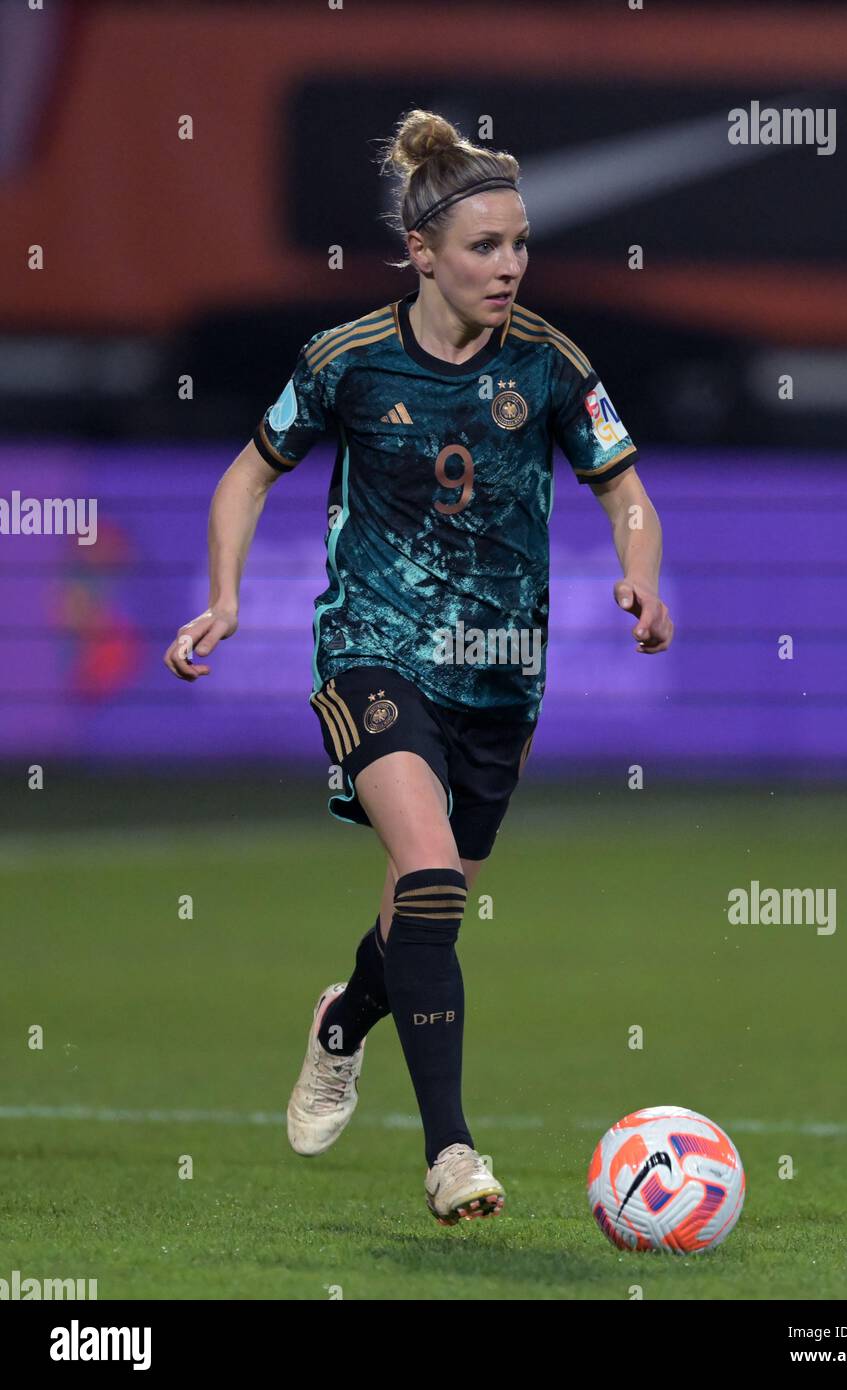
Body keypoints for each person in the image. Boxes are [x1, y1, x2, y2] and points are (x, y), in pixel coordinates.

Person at [164, 108, 674, 1227]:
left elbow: (624, 490)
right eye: (486, 247)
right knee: (430, 870)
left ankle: (343, 1020)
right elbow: (247, 474)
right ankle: (450, 1152)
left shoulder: (547, 363)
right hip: (373, 652)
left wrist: (639, 574)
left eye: (520, 244)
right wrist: (226, 595)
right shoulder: (346, 362)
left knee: (422, 914)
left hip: (500, 677)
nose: (509, 266)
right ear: (425, 253)